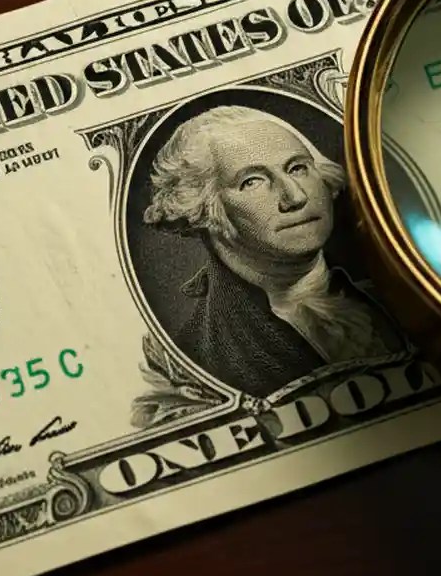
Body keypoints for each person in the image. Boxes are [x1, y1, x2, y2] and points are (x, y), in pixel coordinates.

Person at [143, 105, 404, 399]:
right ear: (204, 209)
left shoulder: (401, 282)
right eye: (252, 181)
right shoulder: (196, 360)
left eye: (297, 168)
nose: (295, 197)